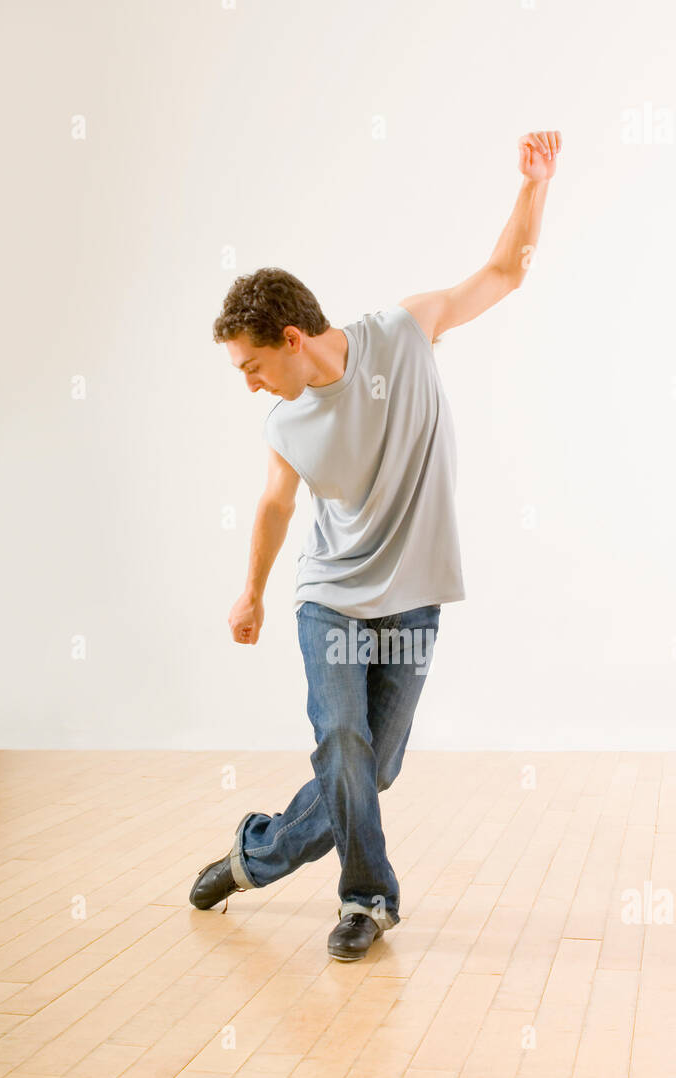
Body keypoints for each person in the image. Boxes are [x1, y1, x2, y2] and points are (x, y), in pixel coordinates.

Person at [190, 130, 563, 961]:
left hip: (413, 596)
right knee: (343, 745)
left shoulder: (402, 333)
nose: (246, 383)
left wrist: (533, 186)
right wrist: (251, 591)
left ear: (291, 338)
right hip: (330, 599)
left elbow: (501, 274)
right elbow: (273, 506)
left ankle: (250, 857)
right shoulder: (283, 422)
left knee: (372, 769)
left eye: (250, 364)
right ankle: (368, 901)